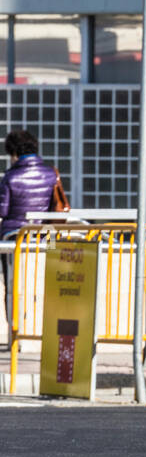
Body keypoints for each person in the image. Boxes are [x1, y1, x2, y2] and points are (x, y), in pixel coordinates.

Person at [1, 131, 59, 345]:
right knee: (39, 284)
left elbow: (3, 210)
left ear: (14, 153)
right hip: (44, 239)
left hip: (13, 238)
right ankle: (39, 333)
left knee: (11, 284)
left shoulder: (11, 177)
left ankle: (16, 334)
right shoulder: (51, 174)